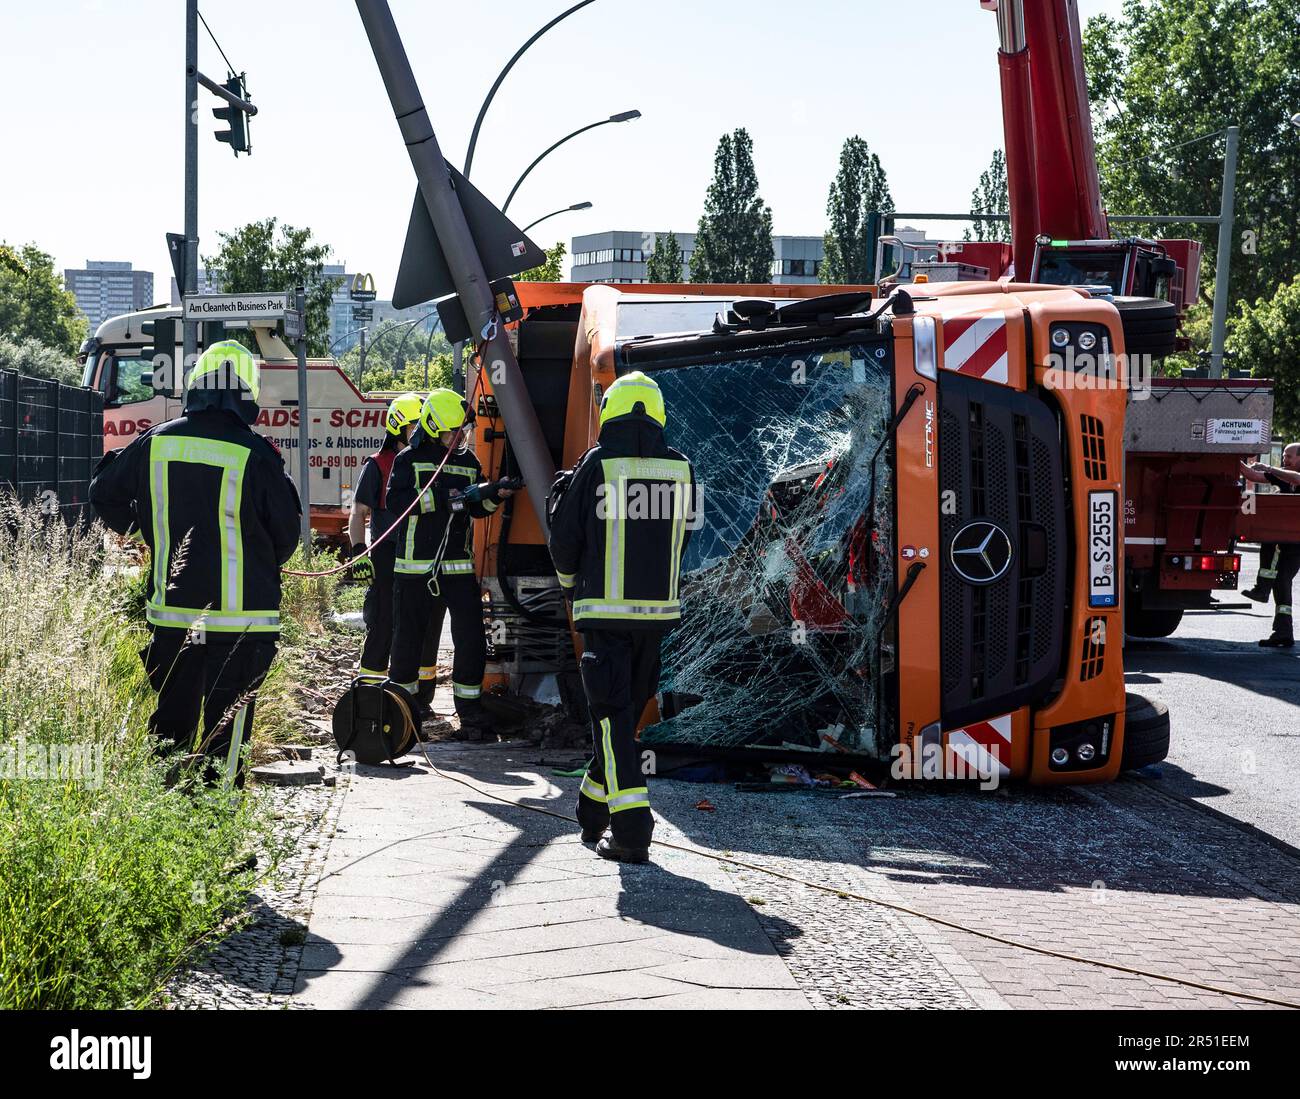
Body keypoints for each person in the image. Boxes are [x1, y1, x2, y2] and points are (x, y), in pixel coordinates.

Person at [89, 340, 301, 786]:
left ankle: (163, 813)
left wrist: (144, 532)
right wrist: (258, 559)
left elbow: (102, 493)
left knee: (171, 721)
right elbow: (286, 538)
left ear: (195, 385)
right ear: (248, 392)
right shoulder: (258, 455)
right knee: (228, 731)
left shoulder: (157, 441)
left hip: (174, 615)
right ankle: (218, 823)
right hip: (244, 620)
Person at [548, 371, 695, 864]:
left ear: (610, 412)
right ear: (657, 414)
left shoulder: (597, 464)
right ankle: (592, 810)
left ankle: (633, 830)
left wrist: (571, 589)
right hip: (656, 620)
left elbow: (565, 539)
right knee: (622, 720)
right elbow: (684, 541)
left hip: (604, 618)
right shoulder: (682, 468)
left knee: (611, 721)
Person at [385, 388, 516, 734]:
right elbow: (398, 505)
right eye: (452, 433)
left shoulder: (469, 463)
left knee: (470, 638)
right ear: (432, 427)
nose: (460, 439)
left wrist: (494, 496)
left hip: (457, 568)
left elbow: (474, 509)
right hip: (415, 569)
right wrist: (442, 498)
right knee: (408, 641)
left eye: (463, 433)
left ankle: (470, 711)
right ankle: (403, 713)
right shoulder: (408, 461)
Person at [346, 392, 439, 701]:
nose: (421, 431)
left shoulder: (429, 463)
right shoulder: (377, 465)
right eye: (415, 426)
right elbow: (358, 512)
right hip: (387, 555)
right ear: (399, 426)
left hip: (419, 555)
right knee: (383, 621)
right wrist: (359, 551)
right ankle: (369, 694)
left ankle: (418, 698)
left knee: (420, 626)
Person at [1241, 443, 1300, 648]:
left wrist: (1268, 468)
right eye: (1284, 456)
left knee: (1282, 578)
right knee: (1282, 580)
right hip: (1287, 538)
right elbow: (1252, 476)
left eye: (1289, 456)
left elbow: (1296, 479)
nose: (1285, 459)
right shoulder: (1285, 476)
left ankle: (1263, 589)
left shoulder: (1291, 476)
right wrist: (1230, 458)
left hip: (1297, 543)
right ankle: (1283, 632)